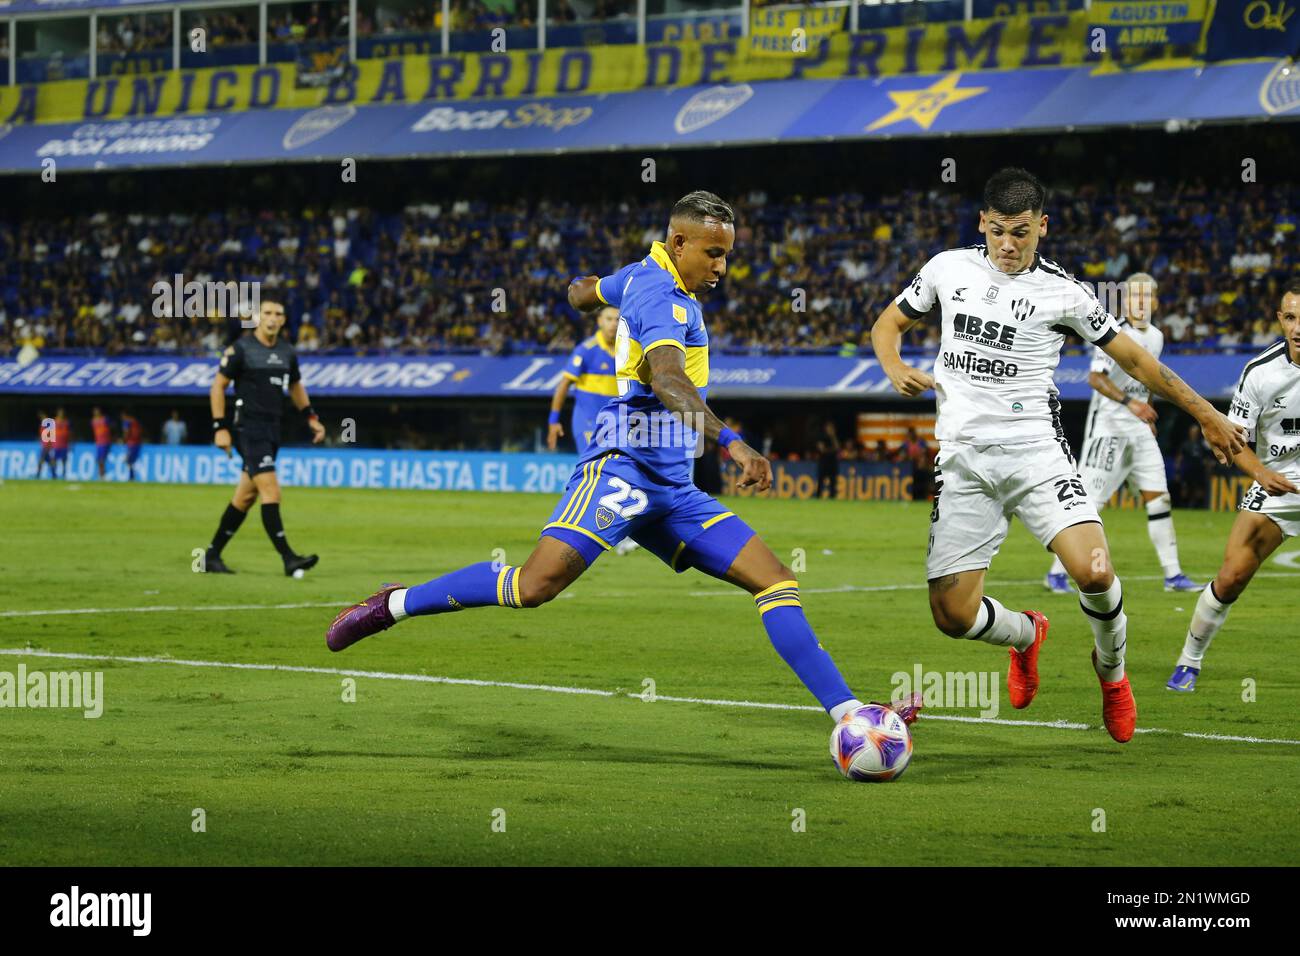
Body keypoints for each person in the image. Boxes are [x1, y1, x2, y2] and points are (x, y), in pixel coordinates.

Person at [326, 191, 921, 733]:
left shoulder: (643, 277)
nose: (721, 267)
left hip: (674, 486)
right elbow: (667, 380)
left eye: (727, 255)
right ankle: (394, 603)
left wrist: (588, 290)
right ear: (680, 244)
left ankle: (851, 715)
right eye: (713, 254)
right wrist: (733, 441)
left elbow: (584, 292)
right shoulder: (664, 299)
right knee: (533, 588)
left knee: (775, 582)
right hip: (624, 470)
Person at [869, 167, 1244, 743]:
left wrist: (1204, 412)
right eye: (997, 231)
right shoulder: (947, 268)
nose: (1009, 244)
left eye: (1020, 231)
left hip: (1035, 455)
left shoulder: (1065, 292)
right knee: (951, 616)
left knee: (1094, 571)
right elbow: (887, 324)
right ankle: (1025, 634)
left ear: (1042, 226)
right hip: (964, 463)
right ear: (982, 224)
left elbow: (1139, 363)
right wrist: (892, 364)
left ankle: (1113, 677)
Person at [1167, 285, 1300, 692]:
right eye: (1291, 318)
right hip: (1281, 483)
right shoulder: (1261, 373)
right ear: (1280, 320)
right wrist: (1260, 473)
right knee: (1230, 577)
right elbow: (1233, 440)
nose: (1299, 327)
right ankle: (1189, 661)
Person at [1045, 273, 1200, 594]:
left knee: (1159, 498)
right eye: (1134, 297)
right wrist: (1132, 403)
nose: (1140, 303)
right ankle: (1057, 572)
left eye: (1147, 298)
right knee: (1089, 501)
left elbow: (1150, 379)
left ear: (1156, 302)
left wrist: (1146, 409)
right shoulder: (1113, 333)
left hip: (1138, 428)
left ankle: (1173, 575)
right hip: (1109, 428)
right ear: (1126, 301)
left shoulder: (1156, 337)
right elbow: (1095, 379)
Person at [204, 299, 324, 576]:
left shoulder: (286, 352)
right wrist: (219, 427)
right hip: (249, 429)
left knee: (245, 497)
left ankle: (211, 556)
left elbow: (295, 385)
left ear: (283, 320)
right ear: (257, 318)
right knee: (271, 491)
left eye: (278, 314)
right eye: (267, 313)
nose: (272, 318)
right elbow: (218, 387)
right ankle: (288, 558)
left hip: (272, 430)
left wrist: (311, 416)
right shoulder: (241, 349)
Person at [546, 305, 618, 454]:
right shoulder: (586, 350)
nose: (614, 324)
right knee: (592, 467)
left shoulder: (628, 351)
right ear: (599, 321)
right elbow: (564, 385)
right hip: (588, 423)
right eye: (609, 319)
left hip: (616, 425)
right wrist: (553, 421)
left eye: (618, 320)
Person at [815, 422, 840, 498]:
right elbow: (822, 450)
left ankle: (832, 497)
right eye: (828, 428)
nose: (830, 429)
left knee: (833, 482)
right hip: (823, 463)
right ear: (825, 428)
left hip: (833, 463)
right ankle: (818, 497)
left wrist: (833, 437)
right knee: (820, 481)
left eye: (831, 428)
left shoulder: (834, 438)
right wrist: (832, 450)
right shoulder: (821, 437)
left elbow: (838, 448)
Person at [120, 409, 144, 481]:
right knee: (131, 461)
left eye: (122, 416)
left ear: (124, 415)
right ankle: (132, 476)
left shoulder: (126, 422)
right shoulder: (135, 421)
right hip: (138, 442)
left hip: (131, 443)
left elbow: (126, 432)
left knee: (128, 460)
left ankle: (132, 476)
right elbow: (140, 431)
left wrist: (123, 440)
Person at [91, 407, 113, 479]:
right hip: (98, 443)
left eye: (97, 411)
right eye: (95, 411)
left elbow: (111, 427)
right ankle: (101, 474)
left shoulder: (105, 419)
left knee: (102, 459)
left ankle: (102, 475)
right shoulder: (93, 421)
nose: (96, 413)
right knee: (99, 460)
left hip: (105, 442)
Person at [51, 408, 72, 479]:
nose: (61, 414)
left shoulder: (66, 422)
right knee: (54, 459)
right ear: (57, 413)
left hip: (64, 445)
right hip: (55, 445)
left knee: (64, 460)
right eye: (60, 412)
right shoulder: (54, 421)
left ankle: (64, 474)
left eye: (62, 413)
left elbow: (70, 433)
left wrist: (70, 443)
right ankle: (54, 474)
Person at [36, 410, 56, 478]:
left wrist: (50, 446)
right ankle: (54, 475)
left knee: (41, 460)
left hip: (48, 447)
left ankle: (38, 475)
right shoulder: (43, 426)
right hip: (44, 446)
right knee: (50, 461)